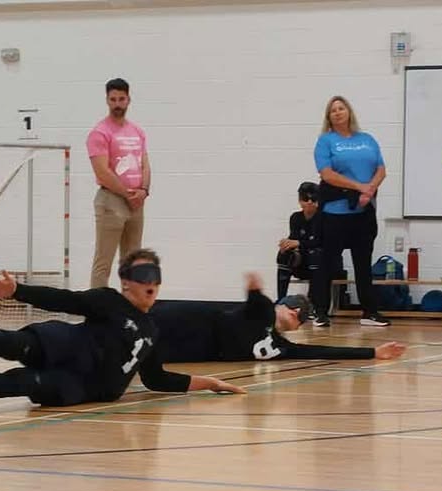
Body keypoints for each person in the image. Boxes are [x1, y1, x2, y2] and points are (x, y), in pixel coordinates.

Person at [0, 249, 244, 407]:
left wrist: (209, 382)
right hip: (66, 345)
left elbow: (156, 378)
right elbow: (64, 300)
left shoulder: (152, 330)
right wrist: (17, 291)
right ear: (127, 283)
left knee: (24, 383)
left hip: (84, 385)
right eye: (144, 277)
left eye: (155, 279)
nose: (152, 285)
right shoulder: (108, 301)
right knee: (17, 341)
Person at [147, 272, 406, 364]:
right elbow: (258, 303)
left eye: (299, 318)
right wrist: (255, 290)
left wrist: (372, 352)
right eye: (292, 309)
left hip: (187, 350)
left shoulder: (281, 347)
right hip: (185, 320)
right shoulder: (262, 310)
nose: (294, 315)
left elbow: (320, 350)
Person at [310, 95, 389, 327]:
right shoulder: (326, 141)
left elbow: (381, 169)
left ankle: (369, 312)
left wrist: (370, 189)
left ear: (349, 112)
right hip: (335, 212)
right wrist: (359, 187)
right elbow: (327, 174)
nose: (337, 112)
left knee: (363, 262)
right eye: (333, 110)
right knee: (328, 262)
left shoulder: (367, 139)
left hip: (363, 212)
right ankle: (321, 311)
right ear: (329, 117)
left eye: (341, 108)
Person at [87, 78, 151, 289]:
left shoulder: (137, 132)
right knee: (103, 262)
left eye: (121, 99)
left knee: (132, 262)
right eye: (113, 99)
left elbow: (145, 164)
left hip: (136, 202)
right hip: (112, 200)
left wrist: (143, 190)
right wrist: (126, 194)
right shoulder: (100, 132)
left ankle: (130, 311)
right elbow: (102, 172)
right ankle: (96, 313)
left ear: (128, 100)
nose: (117, 104)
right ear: (107, 100)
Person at [276, 181, 330, 301]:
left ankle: (314, 302)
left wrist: (299, 243)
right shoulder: (295, 217)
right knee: (283, 255)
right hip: (302, 261)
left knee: (316, 253)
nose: (309, 202)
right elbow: (294, 239)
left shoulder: (325, 218)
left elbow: (323, 242)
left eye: (313, 198)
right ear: (300, 201)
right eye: (305, 198)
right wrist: (286, 244)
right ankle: (281, 300)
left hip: (322, 262)